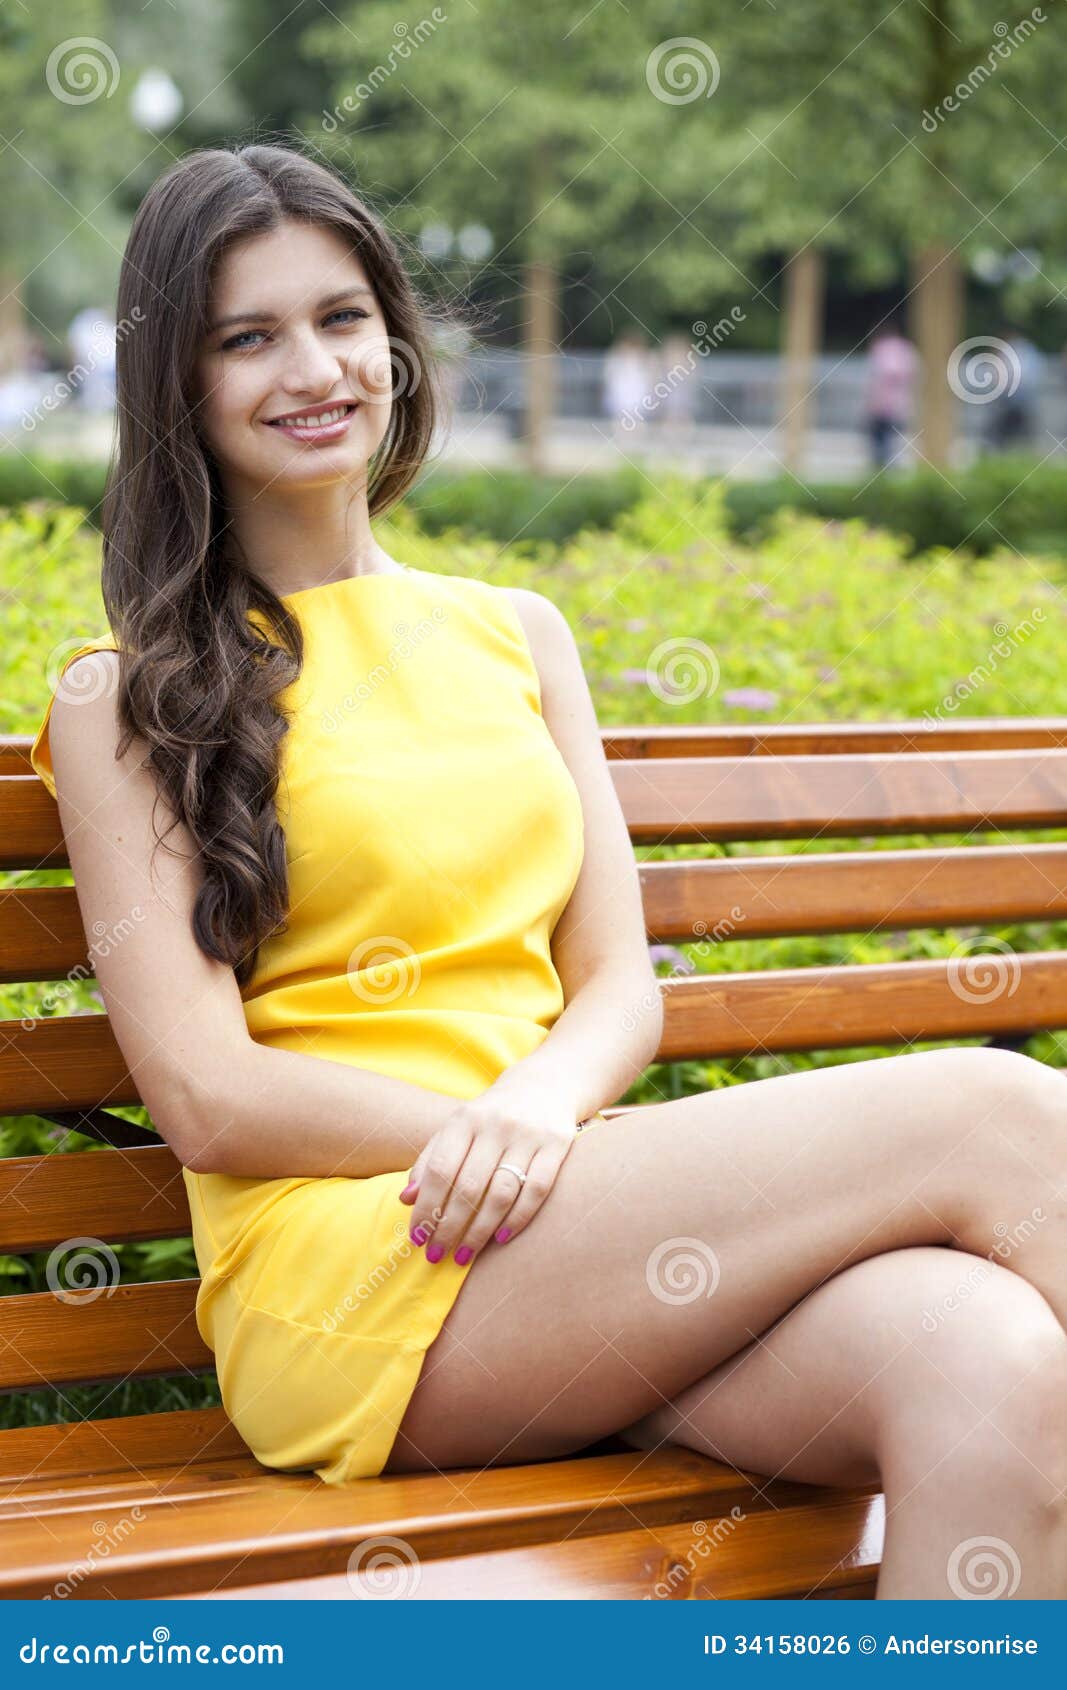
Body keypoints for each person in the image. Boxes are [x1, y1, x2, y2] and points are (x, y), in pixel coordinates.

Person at [27, 143, 1067, 1600]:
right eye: (246, 338)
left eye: (340, 317)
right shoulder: (123, 695)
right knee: (992, 1110)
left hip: (572, 1233)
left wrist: (536, 1119)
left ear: (394, 337)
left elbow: (615, 985)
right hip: (362, 1262)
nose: (313, 368)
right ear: (176, 384)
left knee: (985, 1355)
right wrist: (502, 1146)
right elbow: (206, 1092)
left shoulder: (514, 632)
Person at [863, 317, 918, 469]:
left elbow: (887, 374)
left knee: (882, 441)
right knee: (890, 441)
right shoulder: (907, 349)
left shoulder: (883, 349)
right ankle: (886, 468)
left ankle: (882, 468)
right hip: (899, 405)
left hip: (885, 405)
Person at [985, 326, 1042, 449]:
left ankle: (999, 444)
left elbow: (1003, 377)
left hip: (1015, 398)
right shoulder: (1027, 349)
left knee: (1003, 424)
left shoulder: (1011, 350)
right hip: (1022, 398)